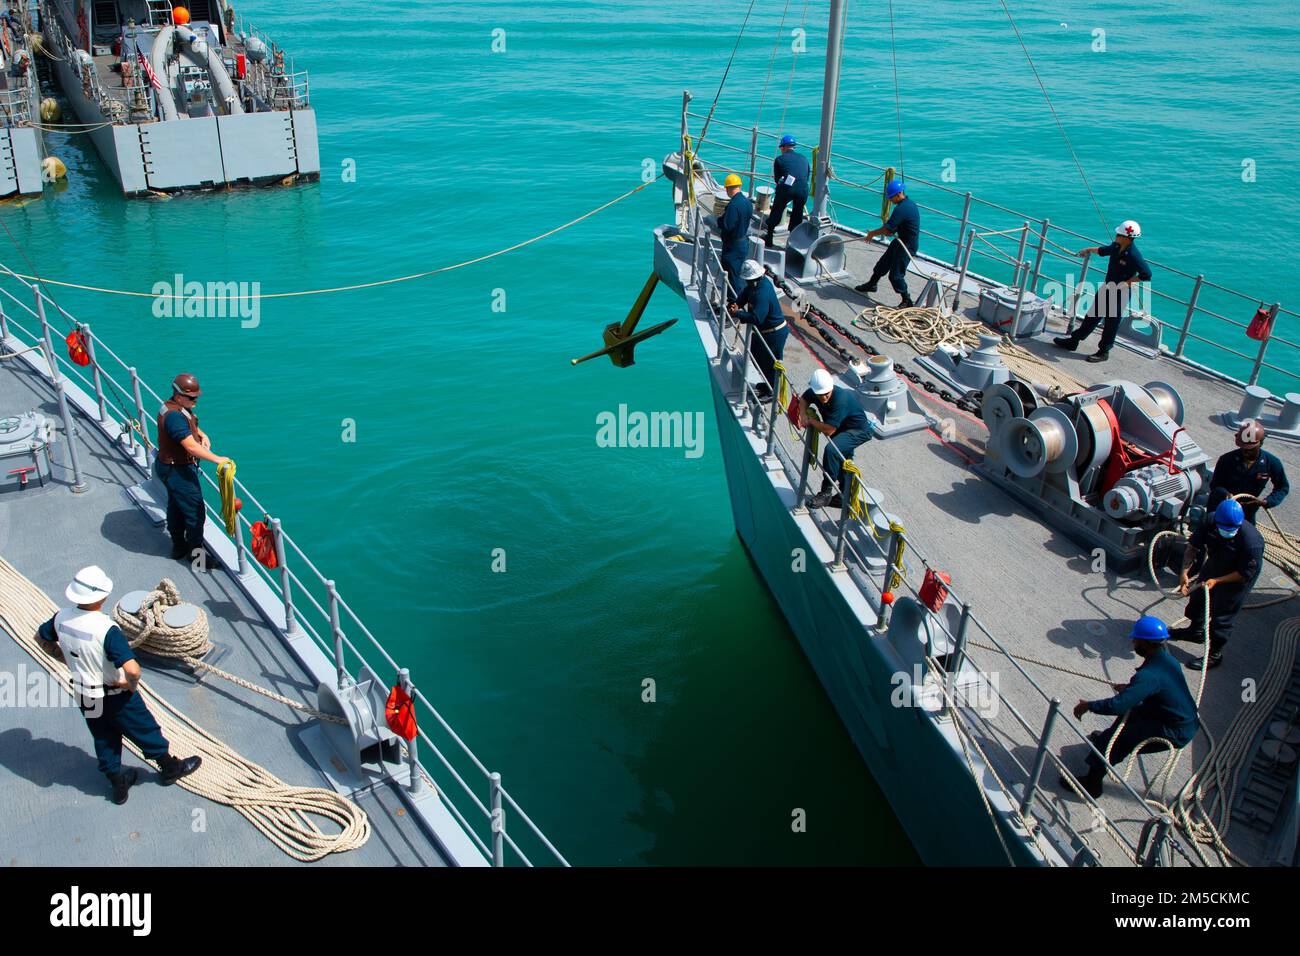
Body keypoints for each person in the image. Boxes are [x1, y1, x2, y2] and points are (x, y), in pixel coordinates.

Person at [36, 566, 202, 804]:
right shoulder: (106, 629)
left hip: (85, 694)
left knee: (103, 736)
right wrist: (130, 684)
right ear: (102, 597)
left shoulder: (60, 618)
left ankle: (117, 783)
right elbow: (133, 669)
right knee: (144, 729)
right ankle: (170, 768)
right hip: (115, 694)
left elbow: (41, 637)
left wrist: (64, 658)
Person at [1059, 616, 1198, 799]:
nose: (1133, 642)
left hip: (1173, 730)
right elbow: (1160, 688)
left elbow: (1117, 705)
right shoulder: (1167, 661)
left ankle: (1092, 785)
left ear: (1146, 643)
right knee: (1129, 717)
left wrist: (1088, 706)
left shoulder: (1148, 675)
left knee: (1112, 743)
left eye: (1136, 639)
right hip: (1179, 720)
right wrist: (1132, 689)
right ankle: (1107, 740)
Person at [1167, 499, 1264, 670]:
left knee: (1223, 614)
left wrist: (1217, 581)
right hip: (1216, 562)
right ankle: (1195, 632)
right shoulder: (1210, 521)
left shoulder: (1252, 542)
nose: (1228, 531)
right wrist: (1184, 573)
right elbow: (1192, 547)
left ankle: (1215, 654)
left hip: (1237, 576)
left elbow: (1243, 574)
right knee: (1197, 599)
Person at [155, 373, 230, 566]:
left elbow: (189, 426)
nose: (195, 400)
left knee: (176, 506)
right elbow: (190, 446)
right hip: (177, 470)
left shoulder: (174, 407)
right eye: (191, 397)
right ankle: (198, 558)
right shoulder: (174, 417)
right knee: (196, 513)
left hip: (169, 467)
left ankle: (178, 546)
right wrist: (218, 459)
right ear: (179, 395)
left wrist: (201, 434)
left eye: (196, 397)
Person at [1052, 220, 1152, 363]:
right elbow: (1103, 251)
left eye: (1118, 234)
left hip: (1120, 293)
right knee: (1092, 316)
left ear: (1126, 237)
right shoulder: (1116, 246)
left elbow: (1147, 274)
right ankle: (1074, 341)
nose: (1116, 235)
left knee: (1111, 322)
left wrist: (1127, 283)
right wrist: (1088, 250)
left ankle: (1104, 351)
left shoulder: (1134, 256)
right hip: (1107, 287)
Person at [800, 368, 872, 509]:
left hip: (857, 431)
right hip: (841, 429)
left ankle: (826, 492)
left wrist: (812, 421)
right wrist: (802, 414)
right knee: (842, 461)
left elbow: (828, 430)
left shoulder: (840, 400)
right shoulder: (816, 391)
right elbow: (804, 399)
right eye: (820, 395)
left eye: (827, 394)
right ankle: (844, 497)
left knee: (832, 451)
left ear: (831, 388)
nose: (824, 398)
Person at [728, 259, 789, 400]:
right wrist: (736, 304)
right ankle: (768, 385)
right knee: (756, 356)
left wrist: (737, 313)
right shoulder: (754, 286)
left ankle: (772, 393)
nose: (747, 283)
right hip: (764, 332)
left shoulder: (762, 293)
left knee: (770, 363)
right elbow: (745, 294)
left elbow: (757, 318)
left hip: (774, 334)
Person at [853, 179, 919, 307]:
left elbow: (887, 230)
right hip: (900, 241)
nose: (890, 200)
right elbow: (891, 230)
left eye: (891, 197)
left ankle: (907, 300)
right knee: (883, 264)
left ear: (898, 194)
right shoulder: (908, 204)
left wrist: (872, 233)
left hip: (907, 246)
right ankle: (872, 284)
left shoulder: (901, 209)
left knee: (895, 276)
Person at [1208, 420, 1289, 525]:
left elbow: (1282, 487)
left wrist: (1268, 501)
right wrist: (1225, 494)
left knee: (1249, 539)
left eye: (1250, 449)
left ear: (1260, 444)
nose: (1246, 451)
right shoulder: (1226, 460)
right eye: (1243, 448)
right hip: (1220, 508)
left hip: (1246, 513)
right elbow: (1215, 485)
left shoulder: (1271, 463)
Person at [763, 134, 810, 247]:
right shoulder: (803, 158)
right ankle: (792, 242)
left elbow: (777, 179)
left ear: (783, 147)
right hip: (803, 188)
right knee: (797, 213)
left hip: (788, 187)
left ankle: (769, 236)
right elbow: (807, 175)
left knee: (778, 208)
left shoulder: (779, 159)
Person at [718, 173, 754, 297]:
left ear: (728, 188)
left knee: (733, 277)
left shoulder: (733, 205)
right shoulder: (747, 202)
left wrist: (720, 220)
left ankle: (734, 303)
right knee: (738, 273)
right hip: (743, 242)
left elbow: (728, 225)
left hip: (732, 246)